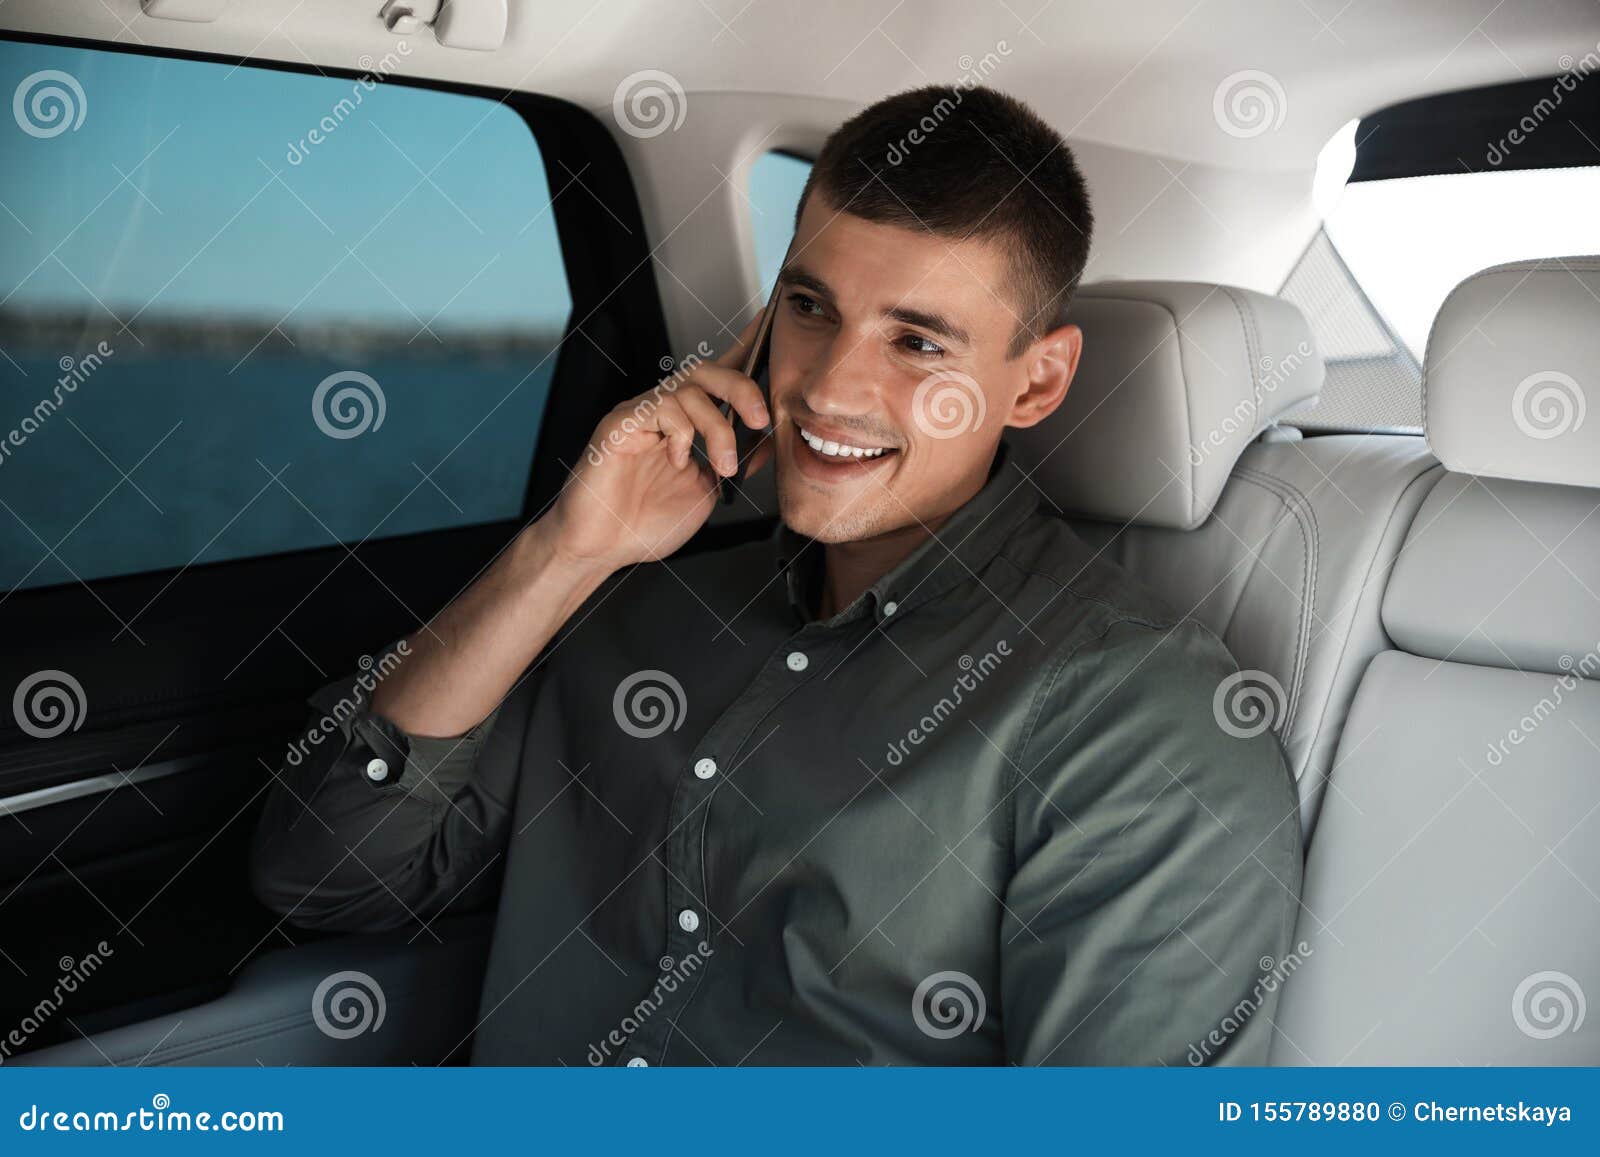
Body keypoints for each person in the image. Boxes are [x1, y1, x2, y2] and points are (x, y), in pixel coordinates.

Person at [250, 85, 1302, 1065]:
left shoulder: (1141, 718)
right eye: (810, 306)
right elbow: (324, 878)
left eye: (917, 342)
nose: (831, 389)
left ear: (1036, 383)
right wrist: (563, 549)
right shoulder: (637, 601)